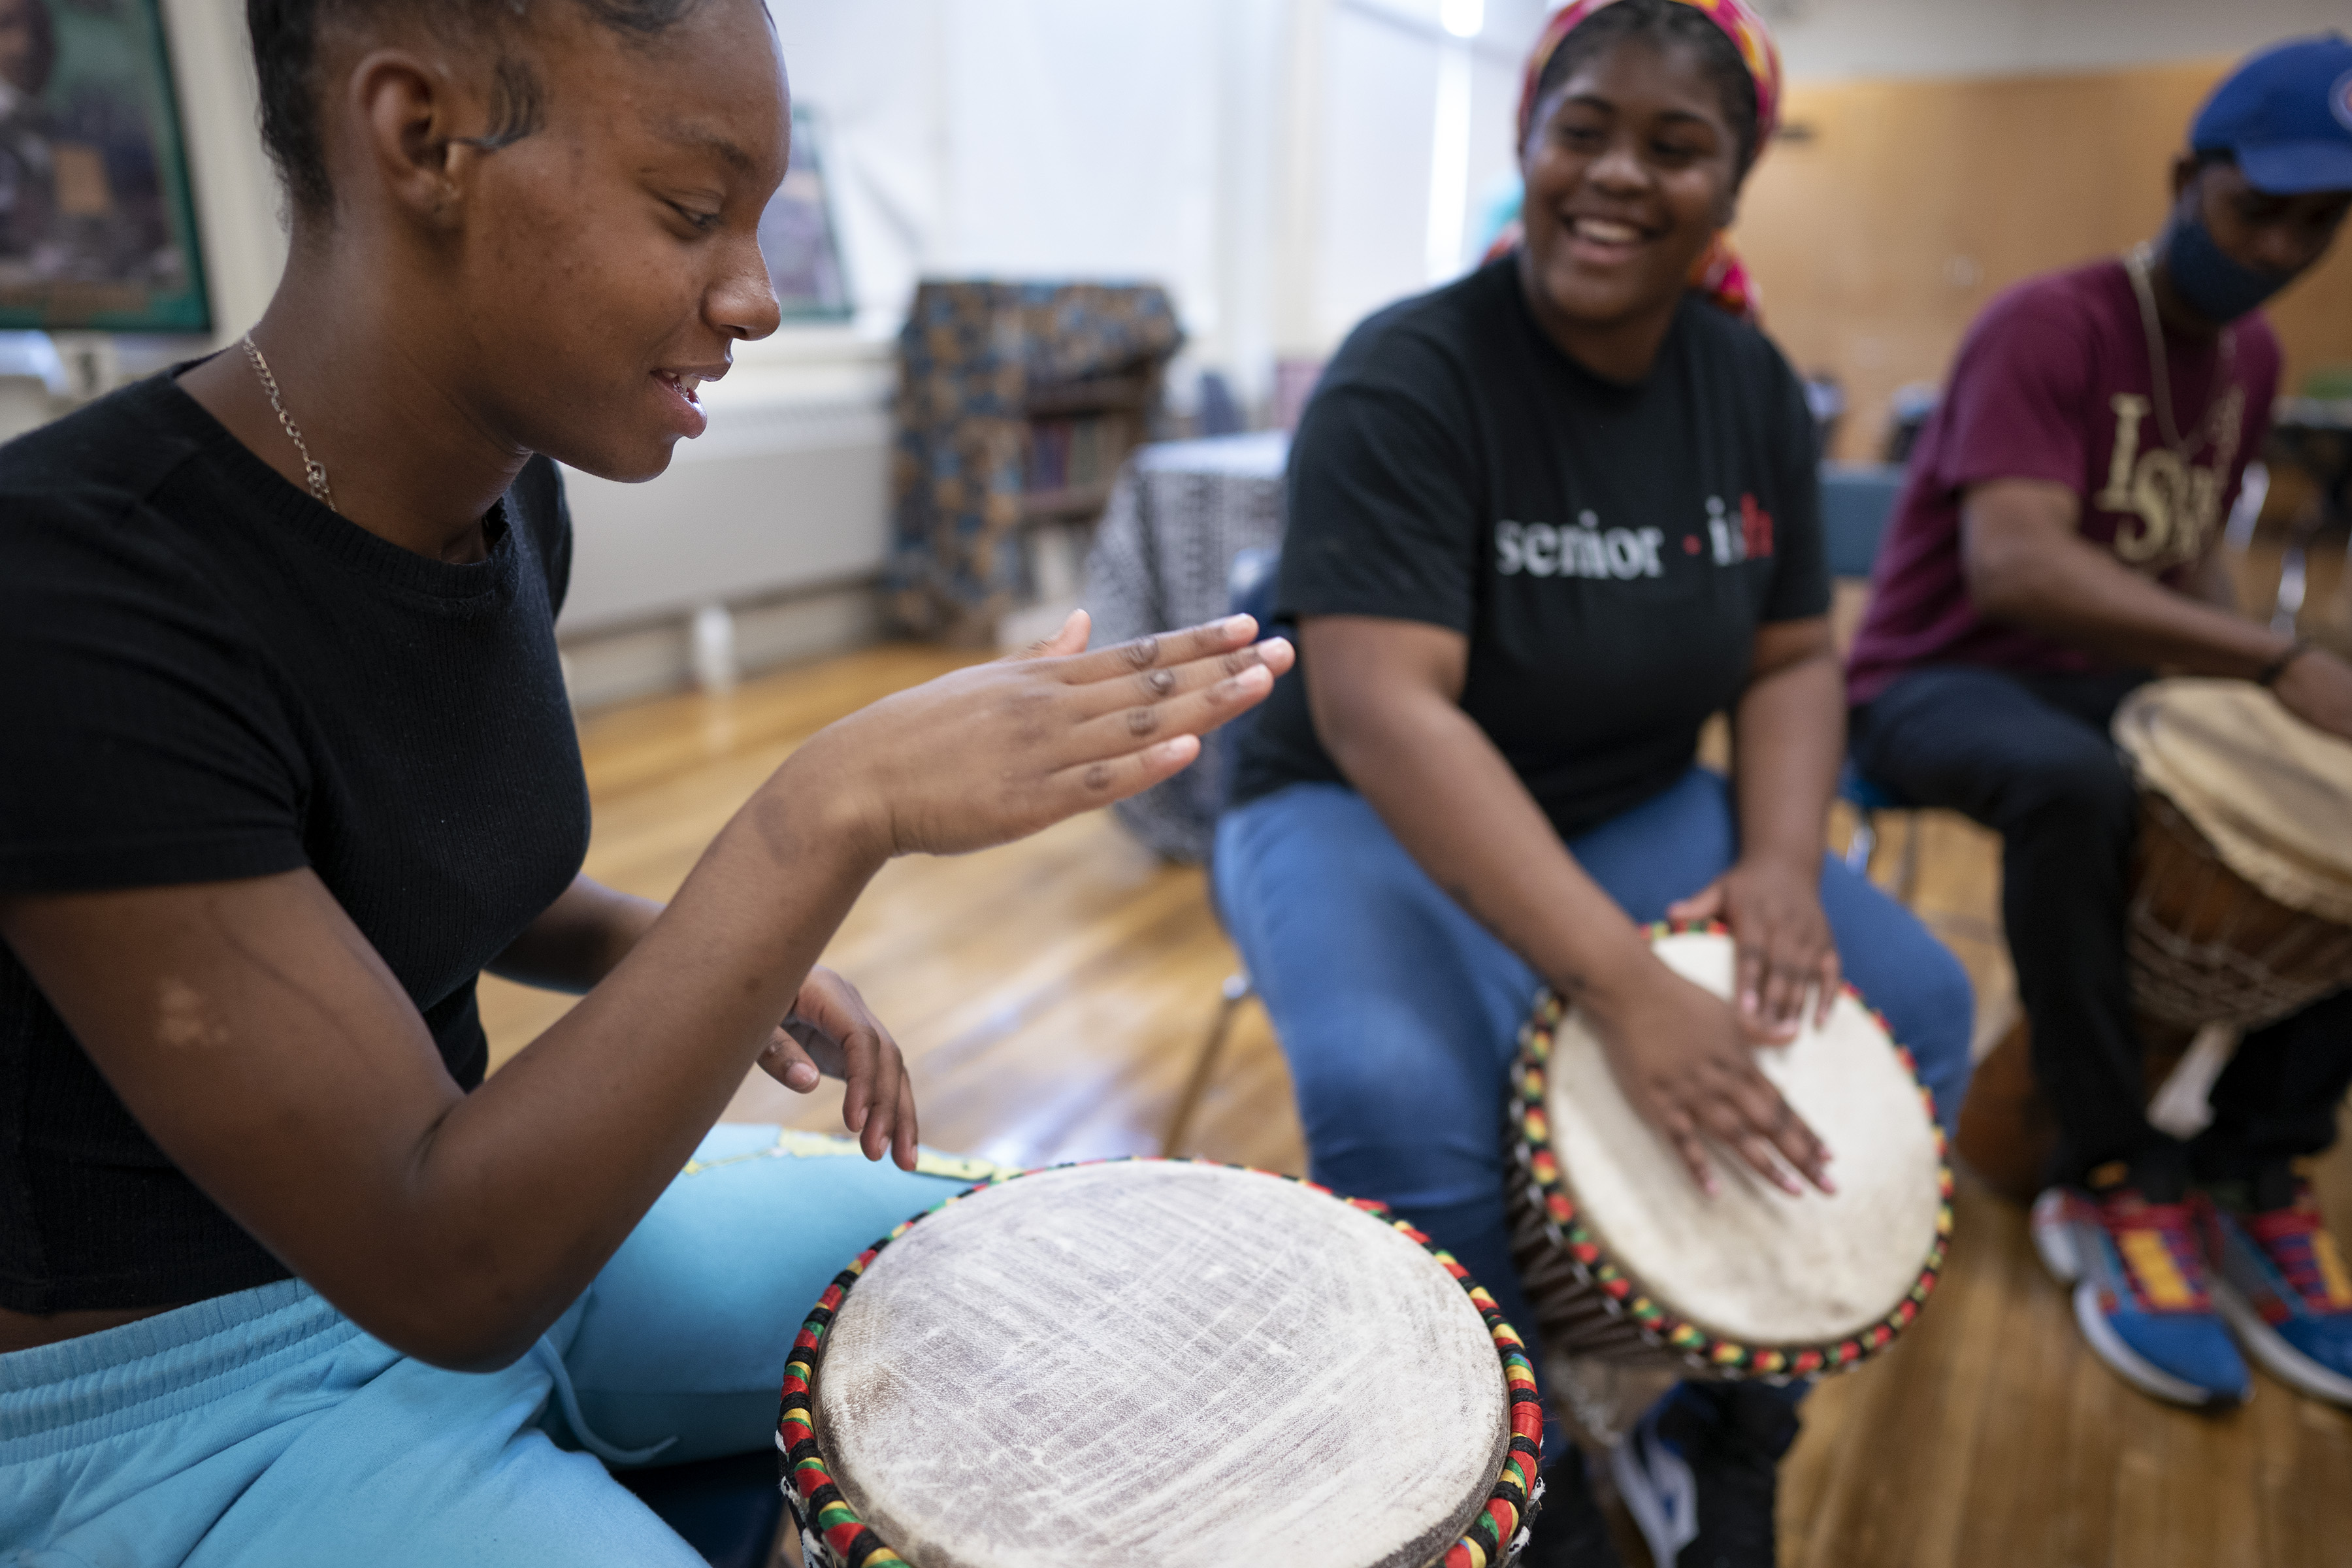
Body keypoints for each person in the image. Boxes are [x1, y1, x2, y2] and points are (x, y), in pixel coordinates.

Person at [0, 1, 1292, 1561]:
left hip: (507, 1237)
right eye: (693, 212)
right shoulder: (72, 590)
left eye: (760, 222)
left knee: (1073, 1265)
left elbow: (422, 871)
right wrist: (823, 816)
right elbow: (438, 1264)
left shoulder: (507, 501)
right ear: (422, 137)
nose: (756, 297)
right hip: (187, 1395)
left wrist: (673, 949)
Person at [1215, 2, 1974, 1563]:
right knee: (1401, 1106)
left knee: (1915, 1005)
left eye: (1675, 146)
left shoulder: (1747, 385)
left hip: (1632, 796)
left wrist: (1781, 863)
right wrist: (1625, 983)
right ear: (1528, 142)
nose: (1619, 174)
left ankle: (1727, 1419)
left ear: (1732, 187)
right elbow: (1382, 714)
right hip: (1358, 807)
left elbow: (1790, 659)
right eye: (1585, 131)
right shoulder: (1407, 375)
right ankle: (1524, 1476)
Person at [1846, 34, 2352, 1411]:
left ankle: (2256, 1160)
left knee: (2335, 800)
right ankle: (2110, 1171)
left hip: (2098, 680)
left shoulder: (2250, 357)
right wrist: (2270, 662)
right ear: (2190, 180)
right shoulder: (2051, 324)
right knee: (2077, 787)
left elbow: (2184, 560)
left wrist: (2263, 717)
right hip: (1930, 677)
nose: (2281, 248)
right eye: (2259, 209)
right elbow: (2017, 567)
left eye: (2319, 224)